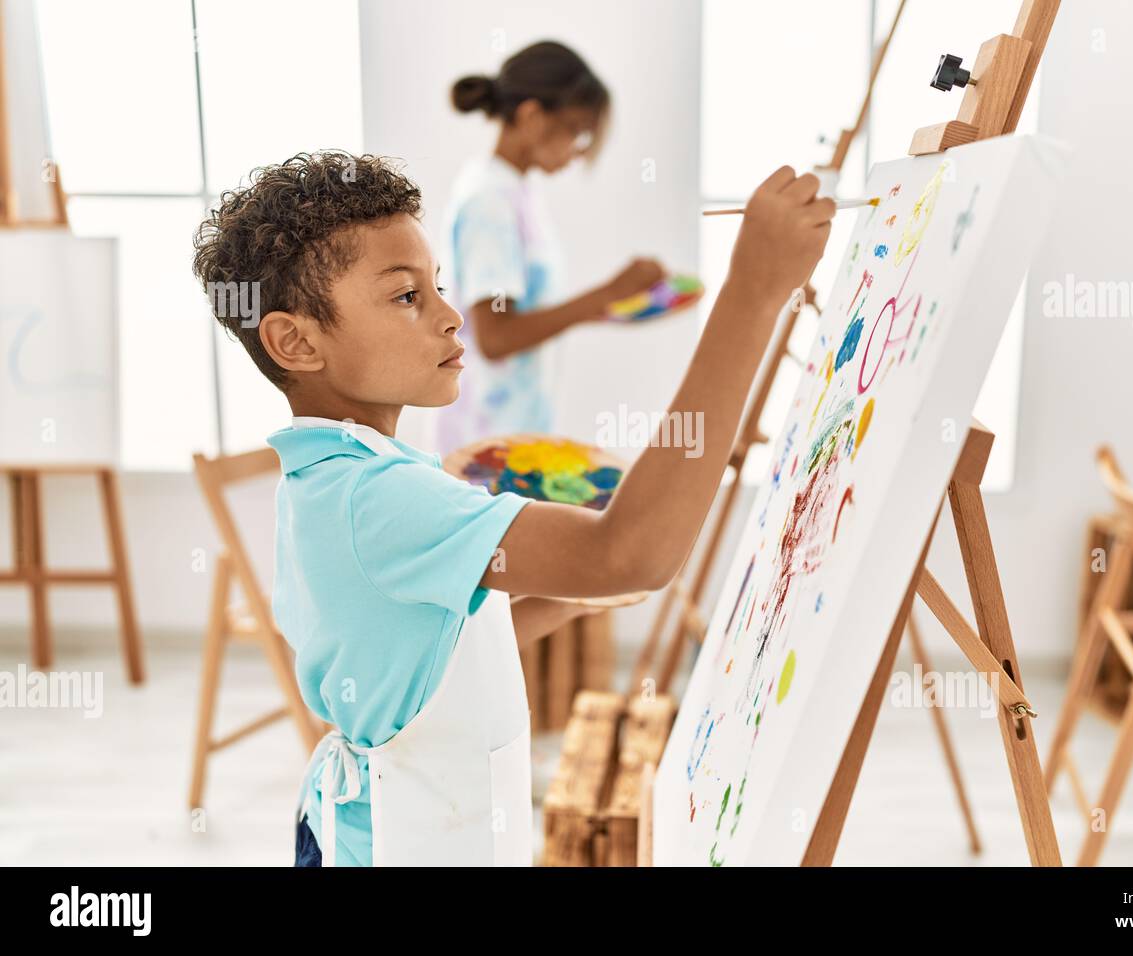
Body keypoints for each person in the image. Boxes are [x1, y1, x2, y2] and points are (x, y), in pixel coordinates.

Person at [191, 149, 832, 866]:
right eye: (406, 297)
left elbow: (434, 664)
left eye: (437, 286)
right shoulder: (379, 497)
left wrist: (572, 598)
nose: (450, 316)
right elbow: (631, 553)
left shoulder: (338, 474)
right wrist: (752, 295)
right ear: (295, 341)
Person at [439, 40, 665, 450]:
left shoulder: (518, 191)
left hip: (516, 435)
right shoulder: (489, 200)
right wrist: (606, 296)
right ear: (531, 116)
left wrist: (616, 302)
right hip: (484, 445)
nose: (578, 150)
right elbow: (495, 337)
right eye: (576, 130)